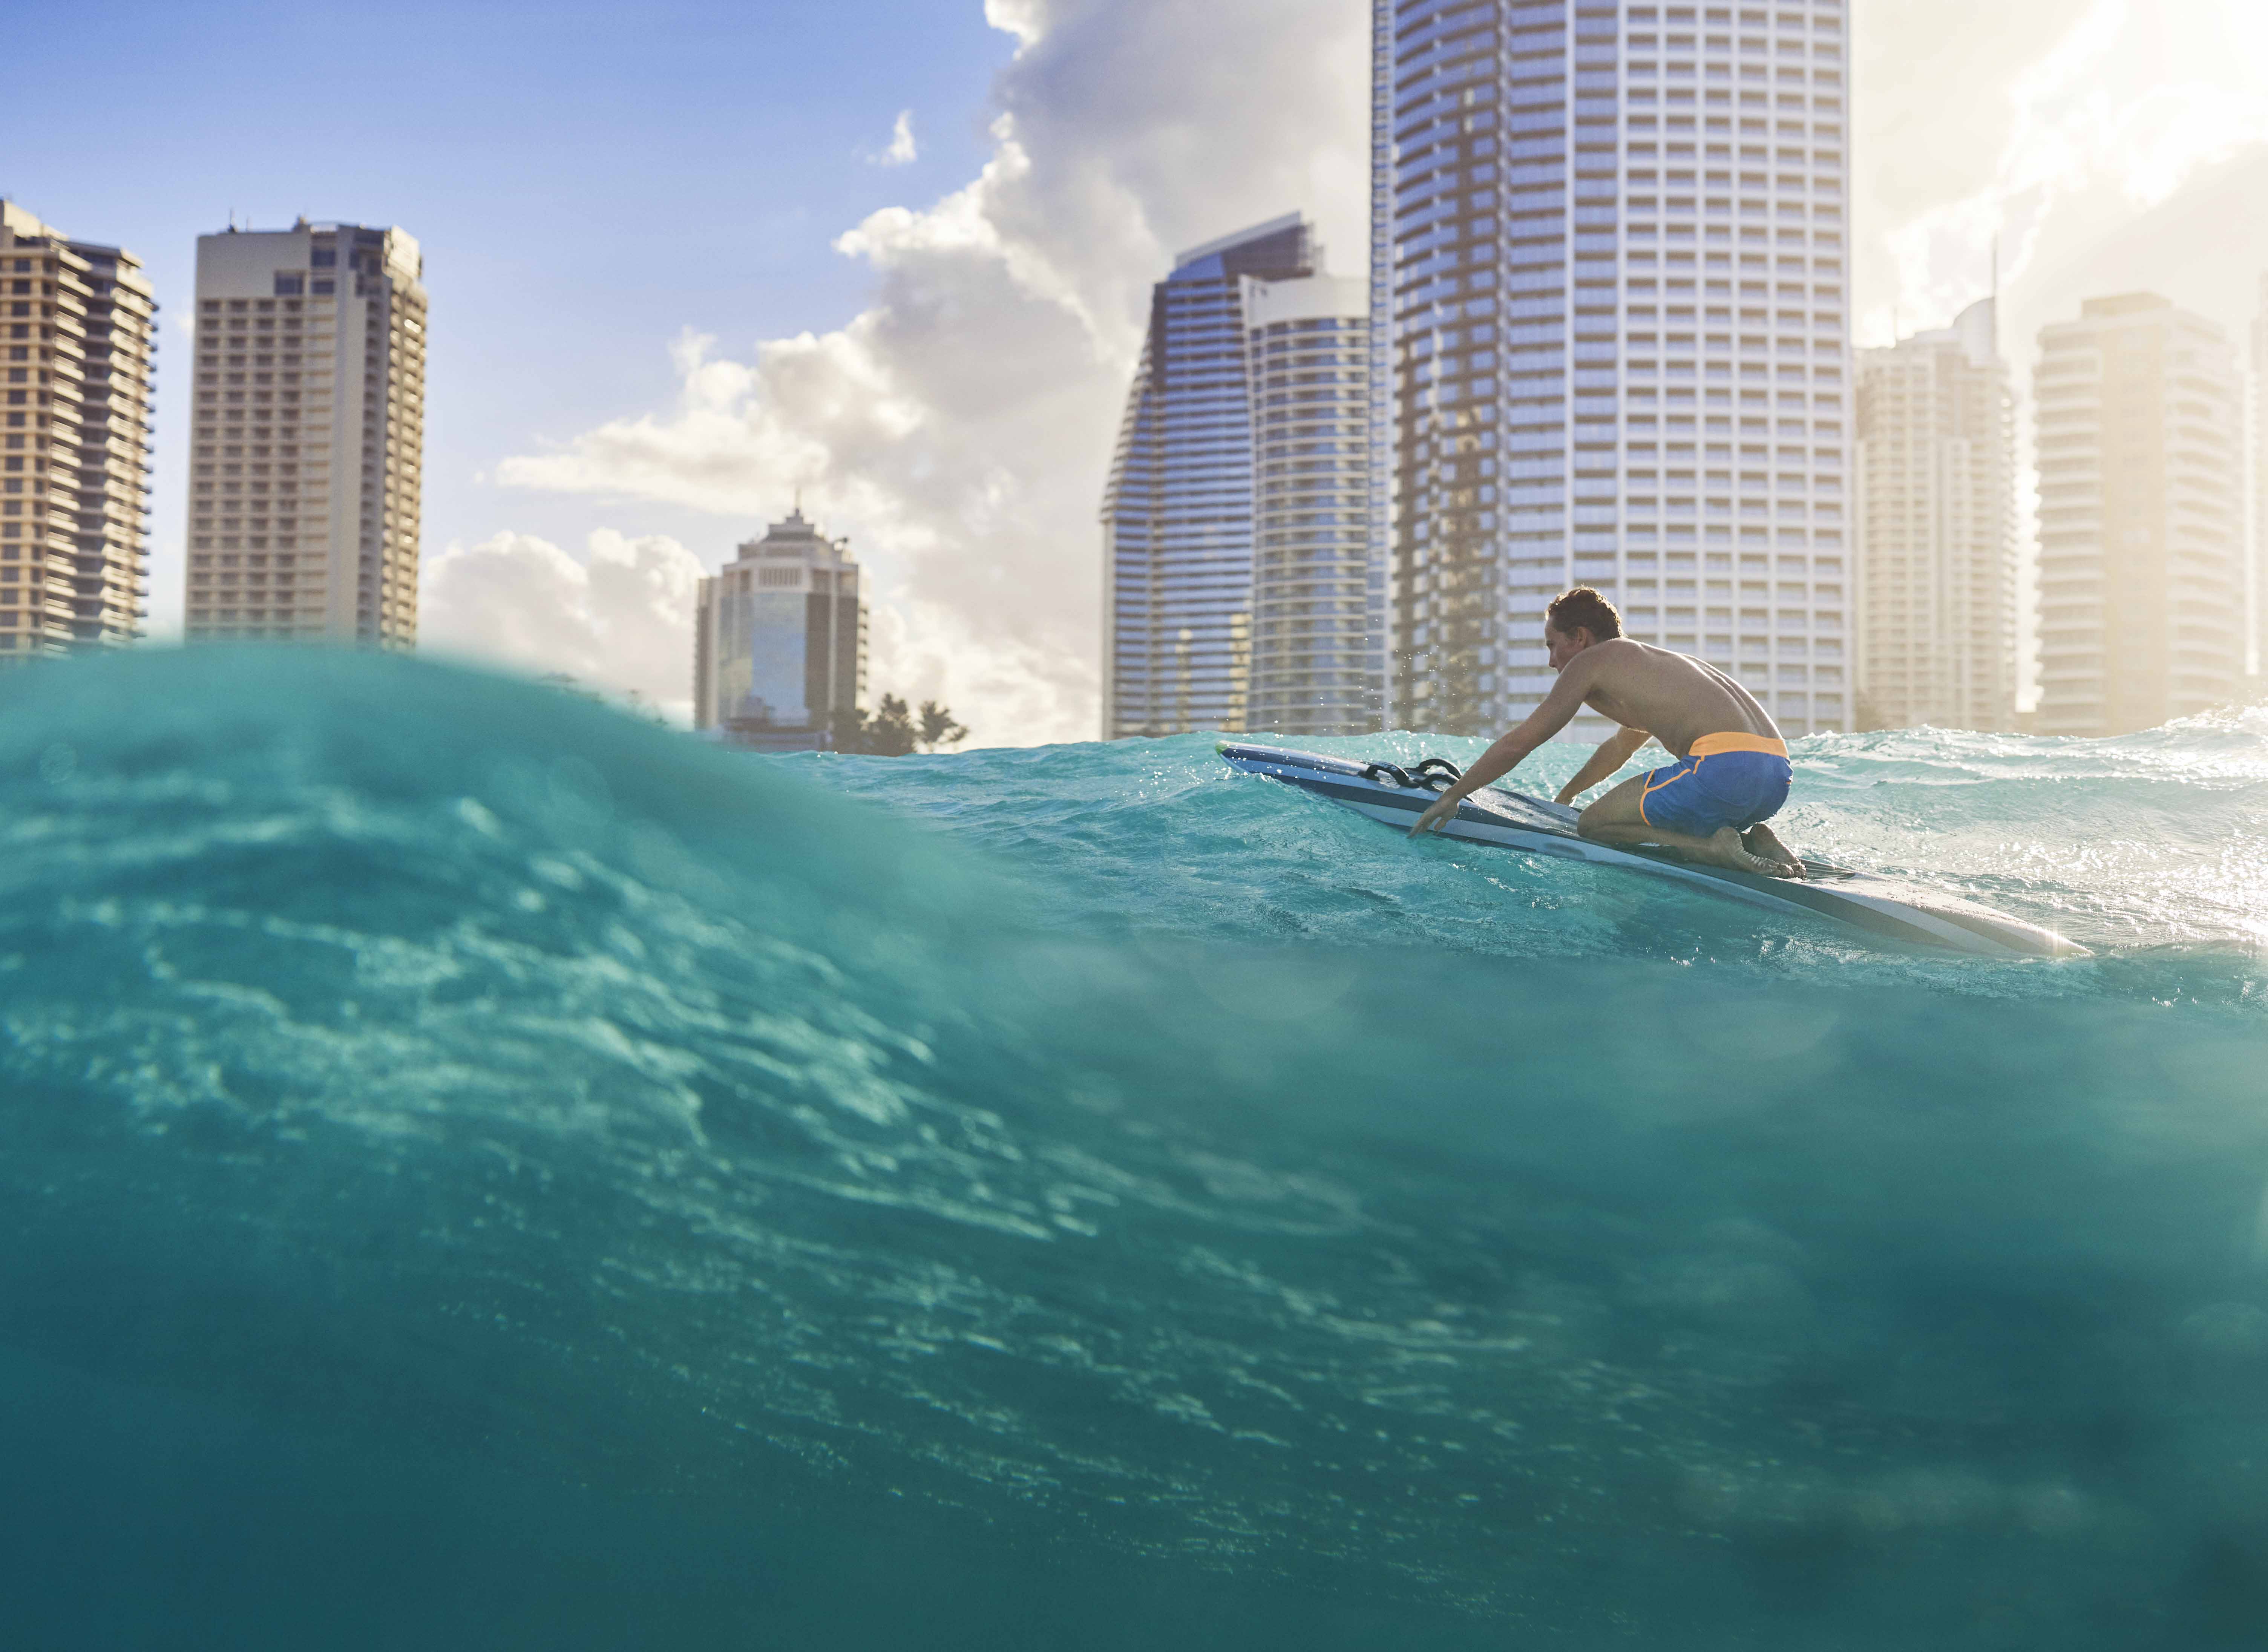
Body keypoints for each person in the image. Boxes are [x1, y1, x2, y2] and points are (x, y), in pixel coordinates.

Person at [1408, 587, 1803, 877]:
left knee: (1593, 825)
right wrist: (1567, 794)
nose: (1551, 661)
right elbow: (1620, 747)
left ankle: (1711, 848)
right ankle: (1752, 840)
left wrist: (1454, 795)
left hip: (1723, 770)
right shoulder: (1652, 665)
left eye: (1552, 645)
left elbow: (1521, 740)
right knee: (1663, 803)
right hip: (1775, 778)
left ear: (1579, 637)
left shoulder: (1592, 661)